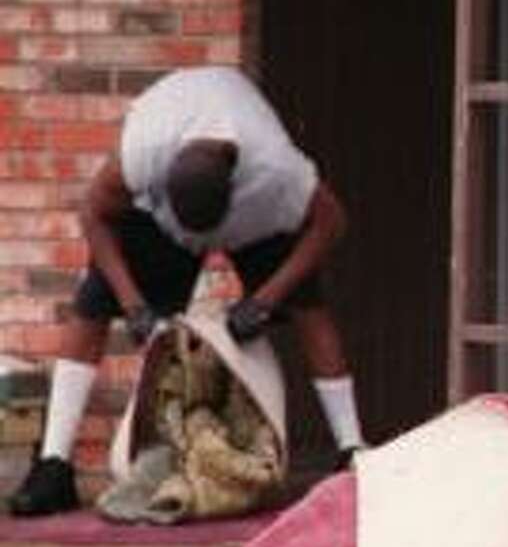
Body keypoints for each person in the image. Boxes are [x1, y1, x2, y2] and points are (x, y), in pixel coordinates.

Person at [9, 65, 365, 517]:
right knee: (92, 303)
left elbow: (331, 224)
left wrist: (266, 299)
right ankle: (53, 466)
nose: (205, 248)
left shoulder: (278, 171)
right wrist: (133, 304)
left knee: (309, 307)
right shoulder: (143, 151)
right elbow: (93, 213)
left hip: (257, 220)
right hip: (161, 222)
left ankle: (351, 450)